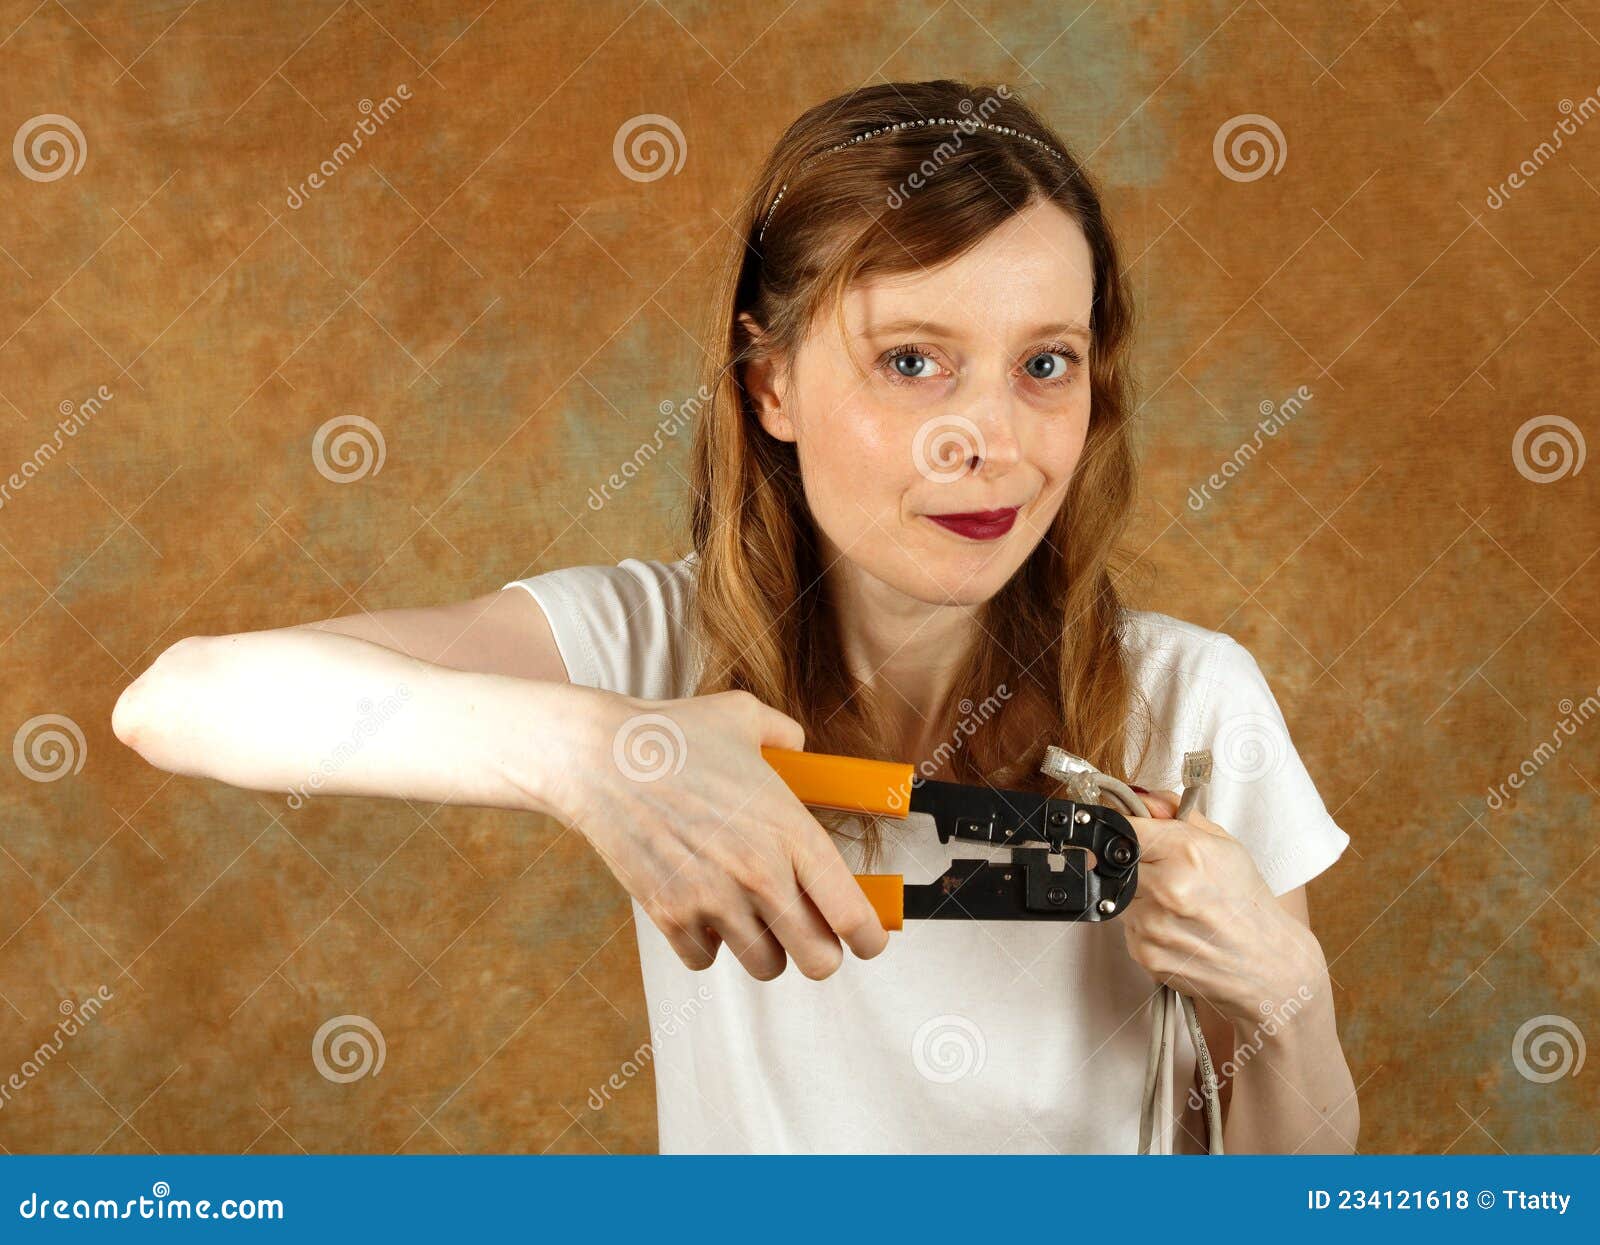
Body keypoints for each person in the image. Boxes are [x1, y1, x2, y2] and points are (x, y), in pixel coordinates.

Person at [112, 79, 1357, 1155]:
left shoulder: (1192, 698)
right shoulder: (651, 646)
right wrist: (599, 754)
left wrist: (1281, 990)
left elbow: (1291, 1192)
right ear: (769, 384)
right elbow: (180, 698)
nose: (991, 444)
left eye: (1046, 365)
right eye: (911, 361)